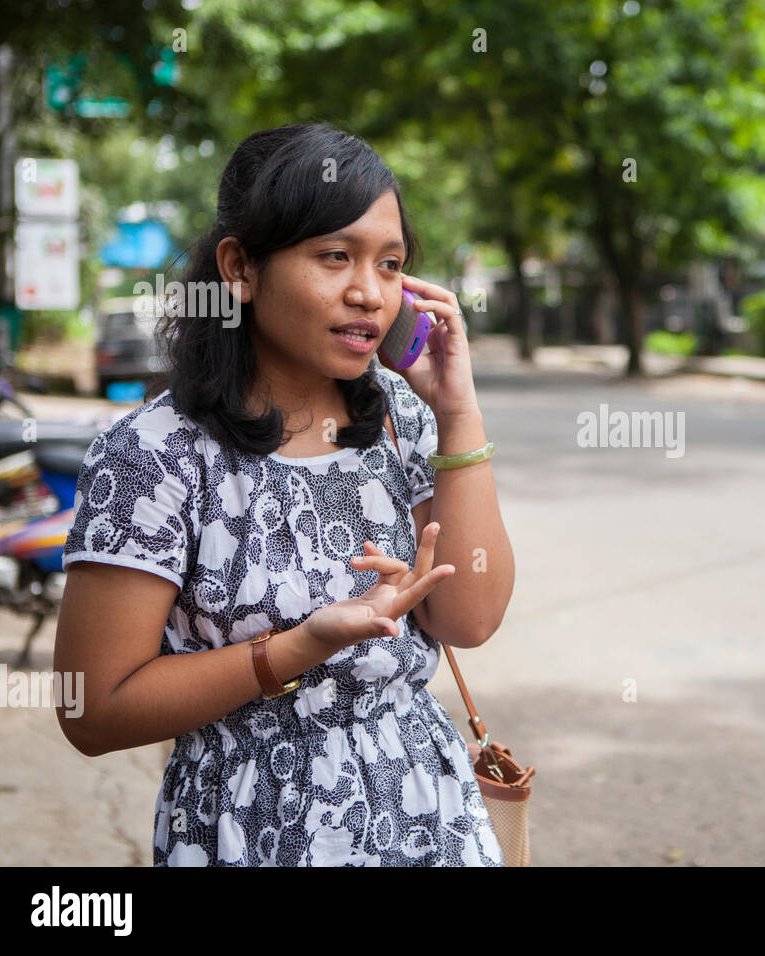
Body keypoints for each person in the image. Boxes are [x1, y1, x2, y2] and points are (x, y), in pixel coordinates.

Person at [53, 123, 515, 866]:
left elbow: (470, 619)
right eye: (335, 256)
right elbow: (92, 708)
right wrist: (301, 646)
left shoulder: (404, 421)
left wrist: (460, 411)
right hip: (248, 831)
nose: (369, 291)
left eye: (391, 264)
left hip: (430, 822)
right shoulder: (155, 455)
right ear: (240, 267)